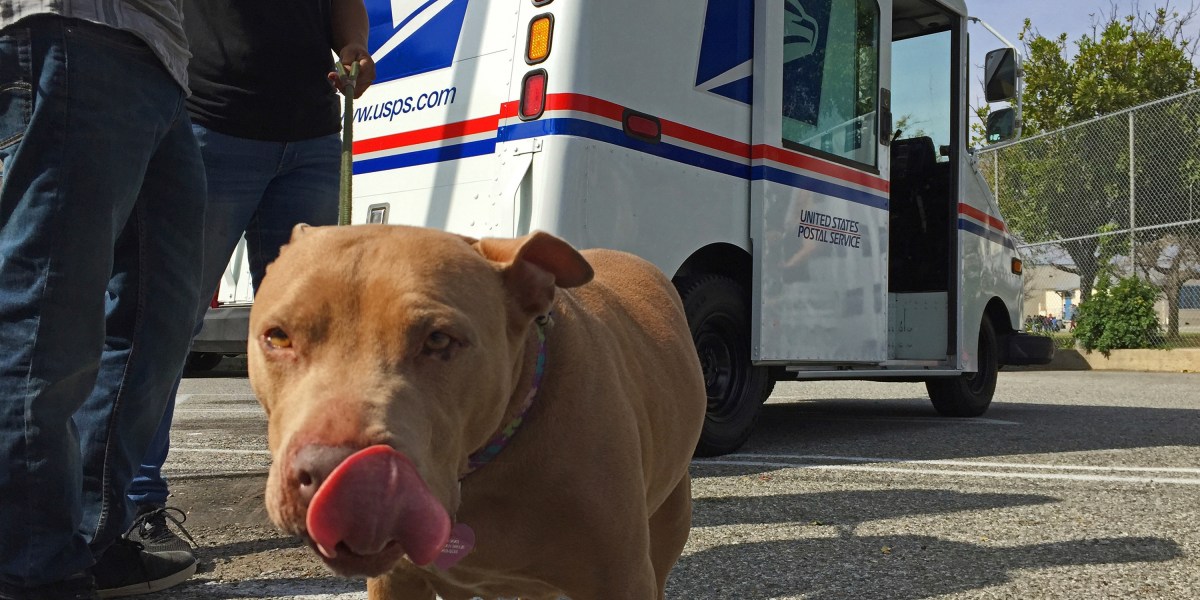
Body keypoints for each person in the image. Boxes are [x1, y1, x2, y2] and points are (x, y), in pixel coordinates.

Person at [122, 0, 376, 557]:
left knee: (314, 339)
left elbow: (344, 6)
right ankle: (134, 506)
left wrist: (355, 47)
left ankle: (320, 494)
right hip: (209, 125)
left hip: (311, 138)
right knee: (165, 326)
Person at [0, 2, 206, 599]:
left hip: (161, 62)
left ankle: (82, 540)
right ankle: (32, 568)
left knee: (158, 322)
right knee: (46, 314)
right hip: (69, 29)